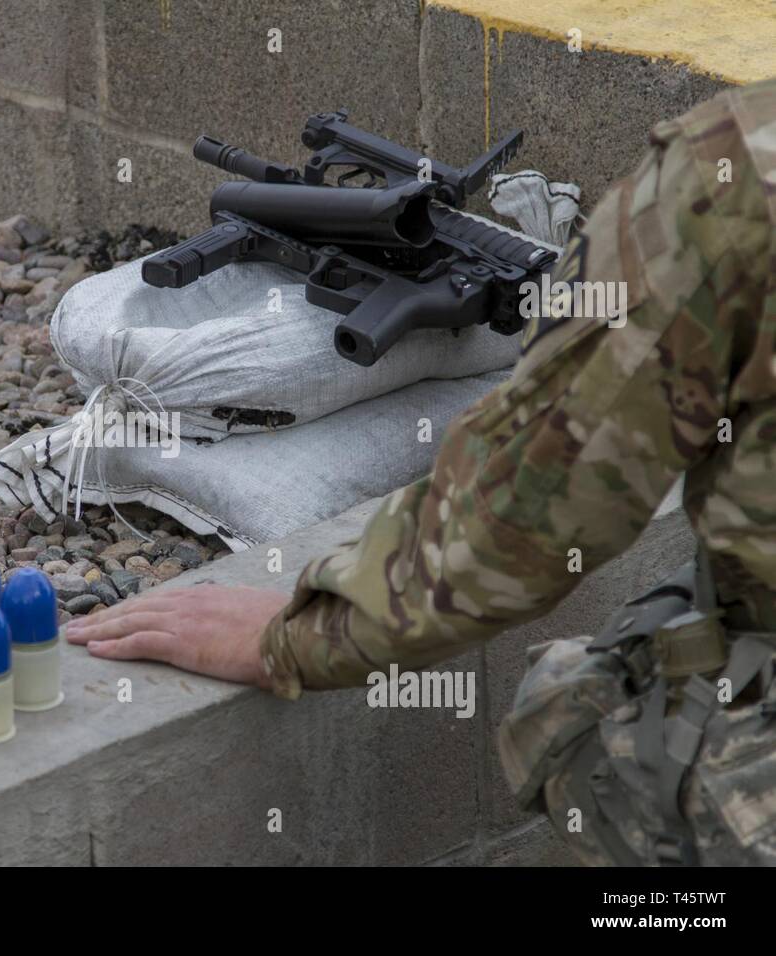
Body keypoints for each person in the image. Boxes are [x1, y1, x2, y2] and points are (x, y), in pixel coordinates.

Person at [66, 77, 776, 865]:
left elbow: (531, 513)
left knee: (580, 709)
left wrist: (300, 634)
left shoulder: (730, 170)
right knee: (694, 594)